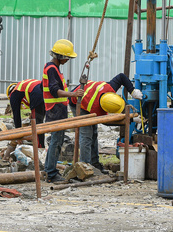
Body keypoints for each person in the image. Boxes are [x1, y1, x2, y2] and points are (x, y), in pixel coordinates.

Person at [71, 74, 143, 173]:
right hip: (77, 102)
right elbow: (108, 122)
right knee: (86, 135)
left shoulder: (110, 88)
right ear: (105, 110)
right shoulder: (96, 109)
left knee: (94, 133)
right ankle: (84, 168)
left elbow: (122, 76)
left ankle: (94, 163)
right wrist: (130, 120)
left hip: (88, 91)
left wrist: (132, 90)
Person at [42, 39, 82, 183]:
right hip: (55, 111)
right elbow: (54, 91)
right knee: (56, 141)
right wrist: (72, 95)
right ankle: (51, 173)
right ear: (60, 56)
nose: (67, 60)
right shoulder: (52, 69)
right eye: (67, 57)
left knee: (56, 140)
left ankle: (49, 170)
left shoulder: (53, 68)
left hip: (56, 110)